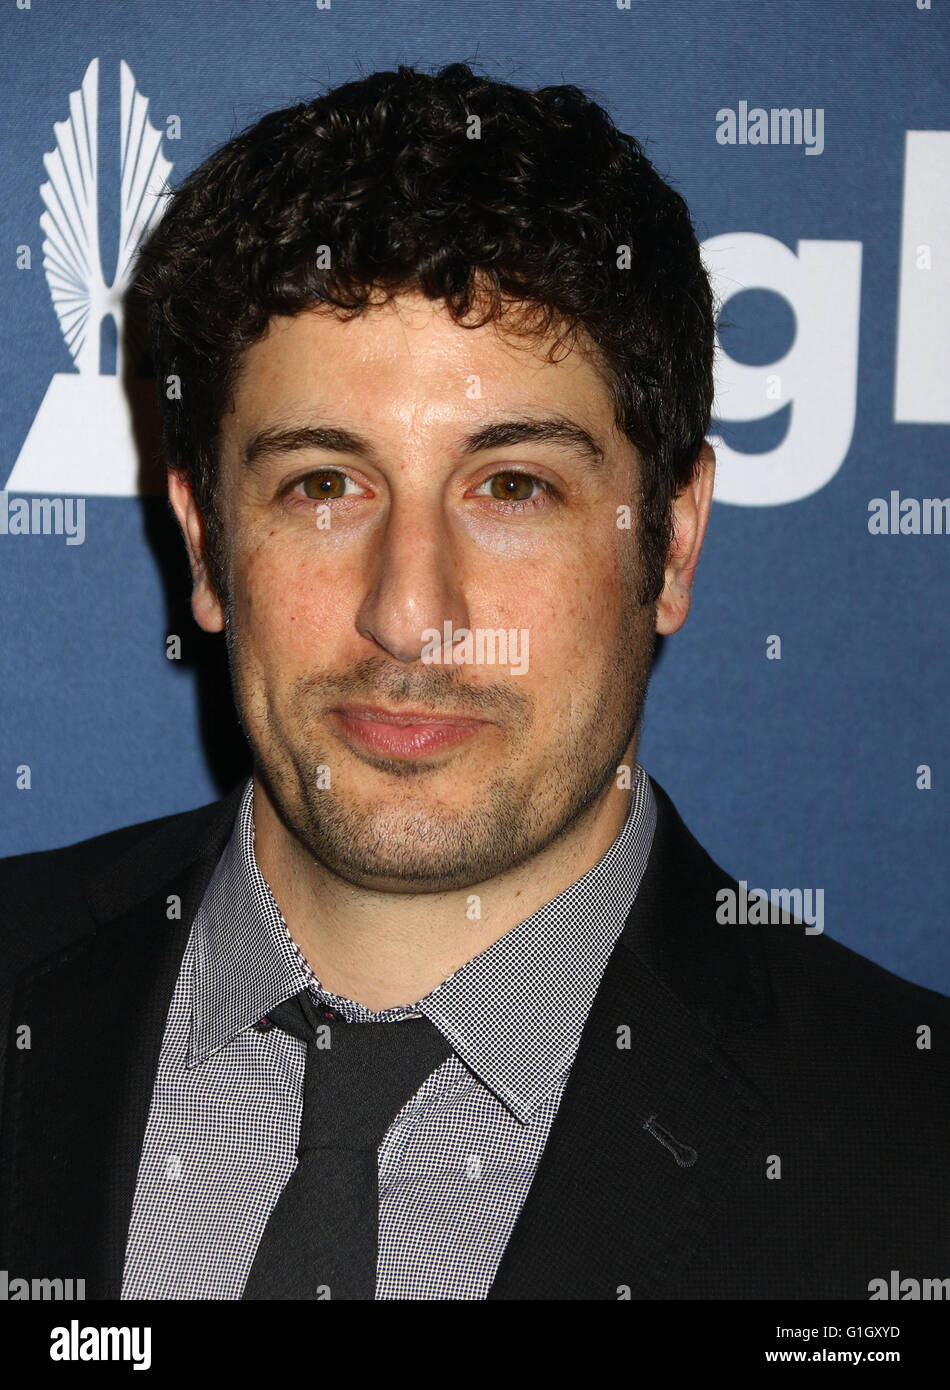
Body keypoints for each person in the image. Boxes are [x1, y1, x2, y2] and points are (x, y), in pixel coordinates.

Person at [1, 62, 947, 1302]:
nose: (410, 613)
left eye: (512, 487)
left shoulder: (908, 1165)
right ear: (204, 544)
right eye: (321, 484)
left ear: (670, 542)